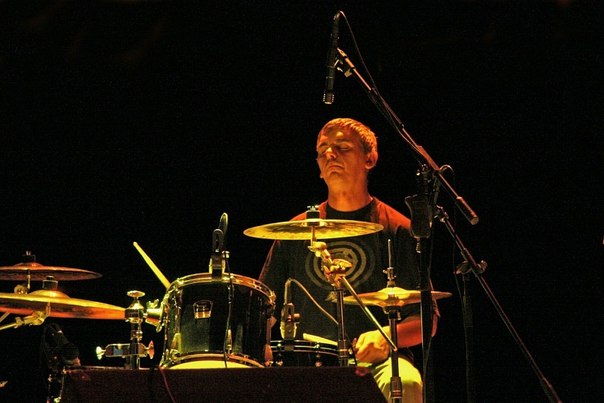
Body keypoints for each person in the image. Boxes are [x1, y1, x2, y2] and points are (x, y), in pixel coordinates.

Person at [259, 117, 439, 402]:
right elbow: (263, 310)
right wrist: (259, 346)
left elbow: (426, 322)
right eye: (323, 151)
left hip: (377, 363)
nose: (330, 154)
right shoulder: (294, 231)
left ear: (370, 159)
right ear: (319, 167)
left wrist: (386, 338)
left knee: (406, 382)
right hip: (305, 363)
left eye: (342, 147)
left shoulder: (397, 228)